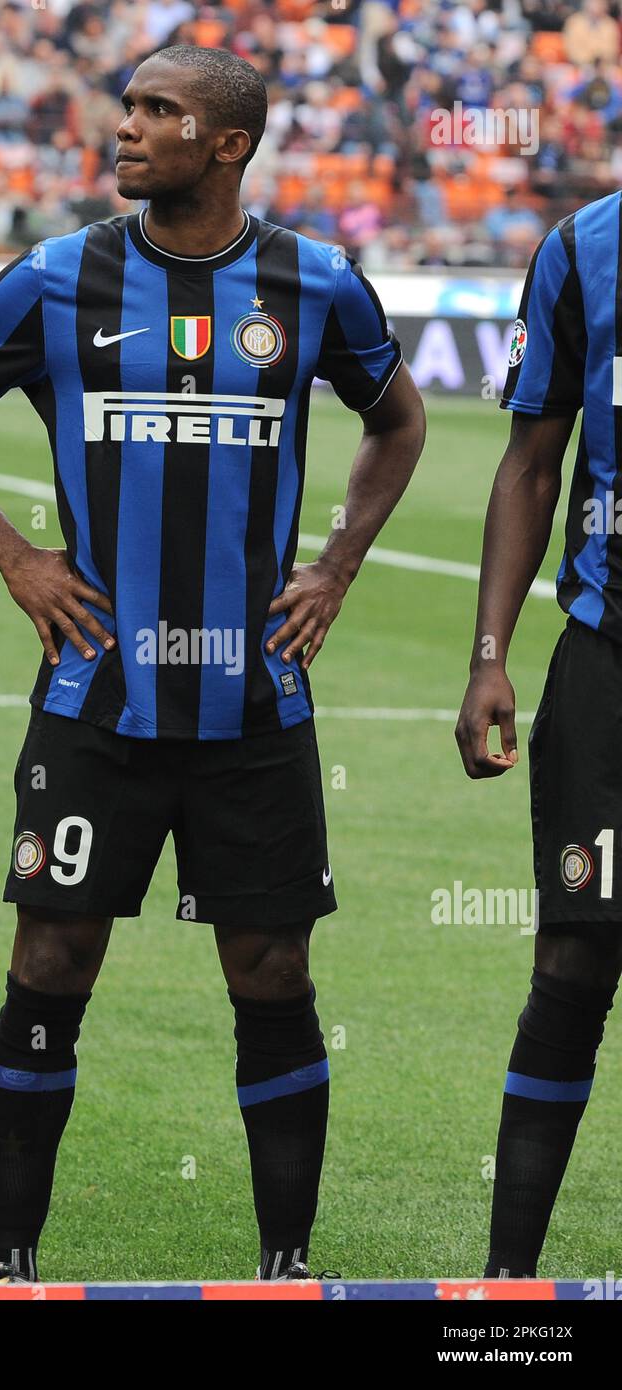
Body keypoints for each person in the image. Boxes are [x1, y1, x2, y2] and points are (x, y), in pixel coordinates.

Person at [0, 44, 425, 1284]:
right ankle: (12, 1265)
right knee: (49, 959)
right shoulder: (54, 276)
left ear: (228, 144)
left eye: (157, 112)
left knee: (273, 968)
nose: (125, 129)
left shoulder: (319, 283)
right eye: (127, 106)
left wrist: (338, 561)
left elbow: (394, 419)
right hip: (95, 699)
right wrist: (16, 556)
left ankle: (287, 1264)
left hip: (254, 705)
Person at [456, 190, 622, 1277]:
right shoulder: (580, 248)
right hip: (609, 657)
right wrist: (489, 656)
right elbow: (530, 463)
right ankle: (507, 1280)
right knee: (575, 954)